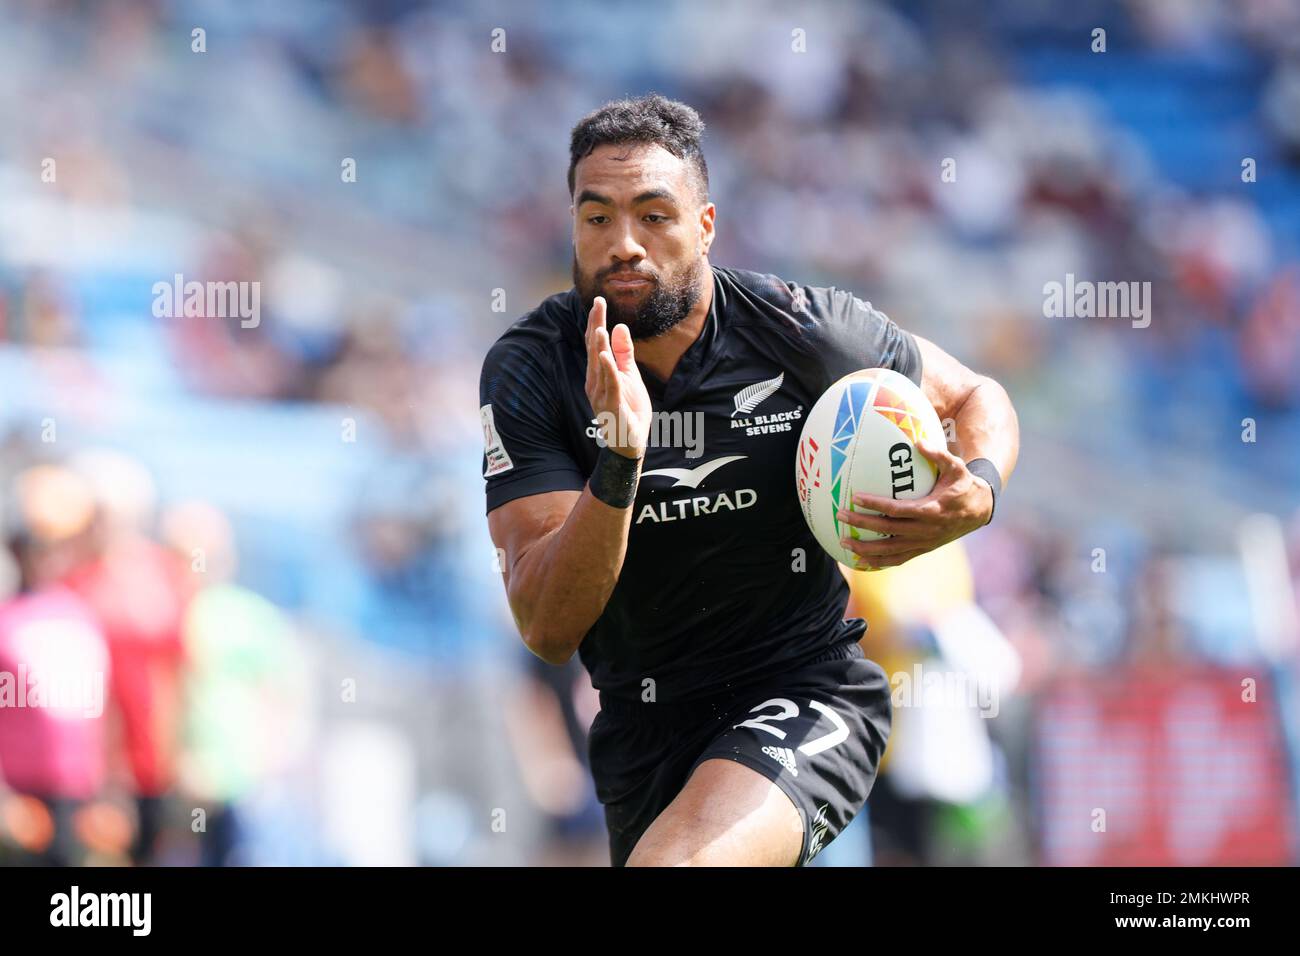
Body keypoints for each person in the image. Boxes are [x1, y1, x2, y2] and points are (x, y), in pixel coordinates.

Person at [478, 95, 1020, 866]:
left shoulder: (804, 331)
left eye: (654, 216)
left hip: (806, 691)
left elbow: (975, 397)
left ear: (704, 226)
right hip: (644, 727)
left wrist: (983, 486)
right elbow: (547, 624)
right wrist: (620, 461)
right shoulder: (530, 370)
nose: (623, 243)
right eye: (596, 217)